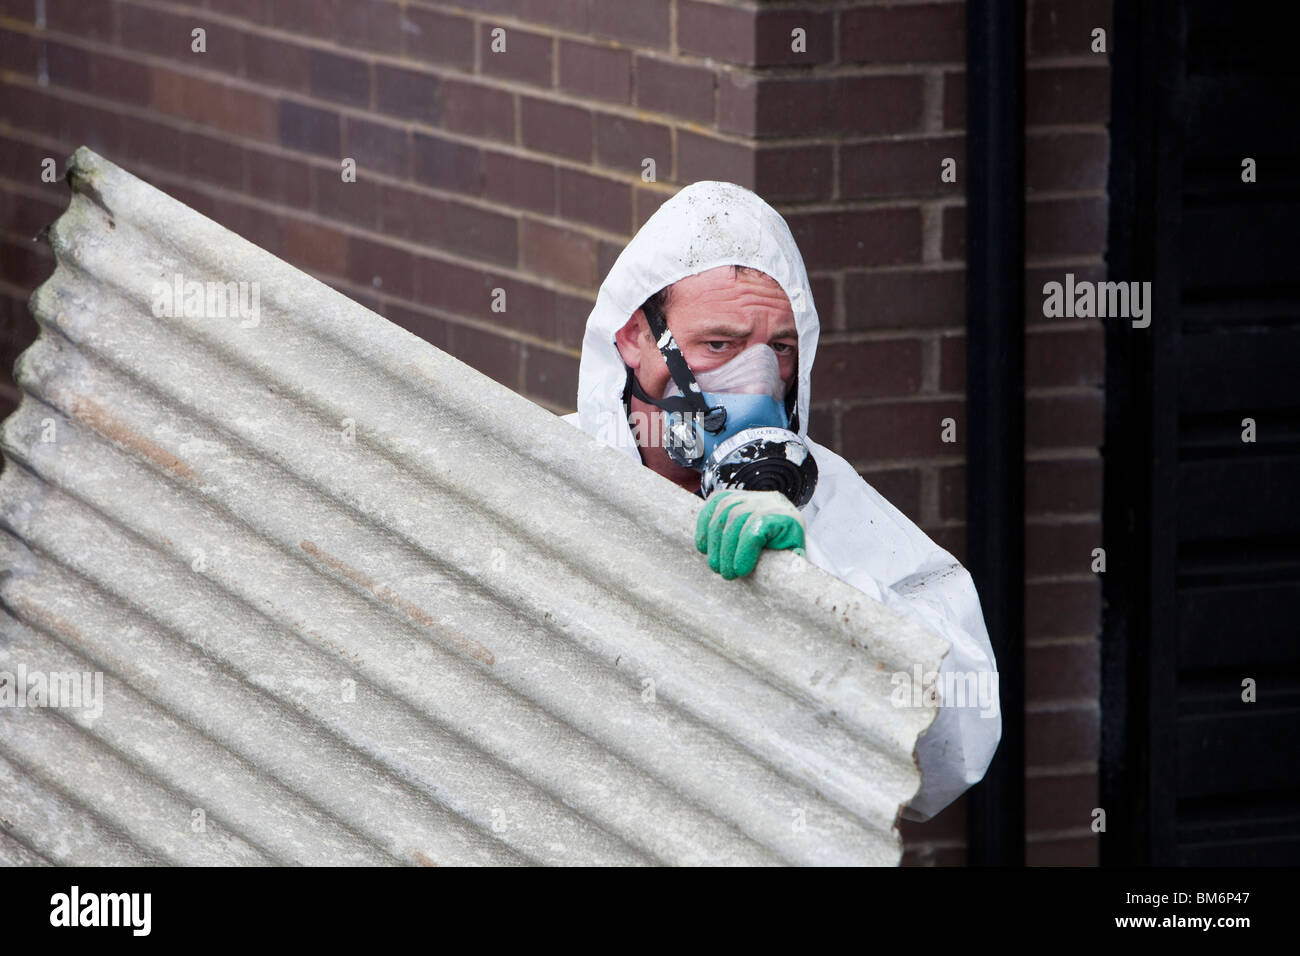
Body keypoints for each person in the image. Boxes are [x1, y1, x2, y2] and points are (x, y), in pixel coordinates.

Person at [561, 180, 1000, 822]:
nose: (757, 381)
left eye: (780, 350)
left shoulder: (831, 505)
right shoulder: (550, 476)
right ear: (634, 338)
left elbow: (956, 752)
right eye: (719, 344)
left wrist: (814, 581)